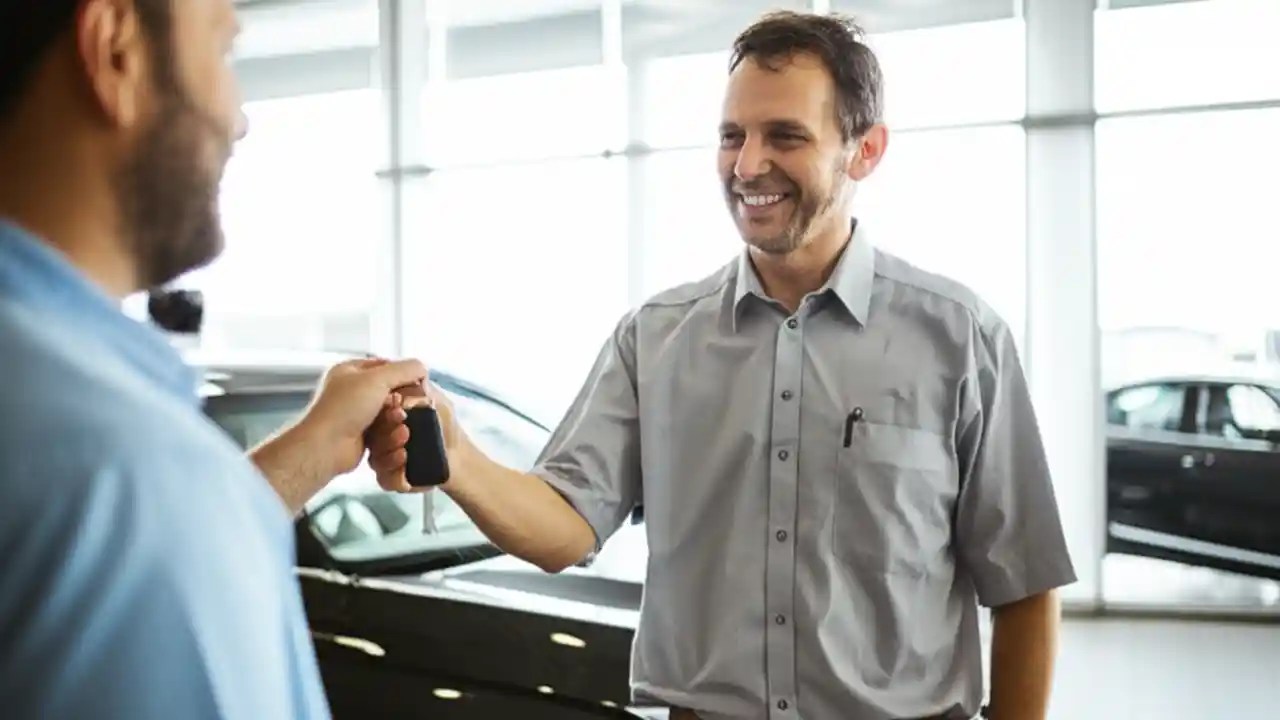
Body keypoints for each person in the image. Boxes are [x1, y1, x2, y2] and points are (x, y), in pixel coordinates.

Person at [369, 10, 1076, 720]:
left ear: (864, 150)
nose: (747, 165)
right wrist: (458, 458)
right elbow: (564, 526)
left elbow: (1024, 584)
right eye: (732, 135)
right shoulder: (655, 340)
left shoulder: (959, 336)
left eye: (786, 136)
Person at [0, 1, 425, 717]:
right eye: (223, 54)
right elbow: (144, 516)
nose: (239, 118)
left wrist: (313, 449)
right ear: (117, 52)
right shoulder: (129, 473)